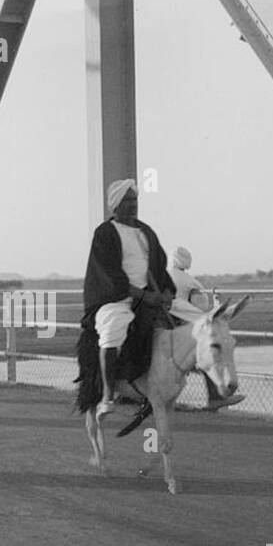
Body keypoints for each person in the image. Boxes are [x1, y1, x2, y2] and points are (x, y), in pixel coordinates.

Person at [81, 178, 175, 421]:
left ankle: (214, 392)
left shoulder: (146, 231)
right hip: (117, 299)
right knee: (112, 330)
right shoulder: (105, 233)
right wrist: (143, 295)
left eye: (135, 200)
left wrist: (166, 291)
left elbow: (160, 267)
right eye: (128, 201)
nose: (133, 205)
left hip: (151, 296)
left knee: (201, 323)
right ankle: (107, 396)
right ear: (115, 205)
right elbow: (109, 274)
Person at [169, 245, 243, 411]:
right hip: (182, 327)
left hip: (162, 324)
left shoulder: (164, 276)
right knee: (206, 358)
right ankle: (215, 398)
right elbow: (201, 307)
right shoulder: (191, 282)